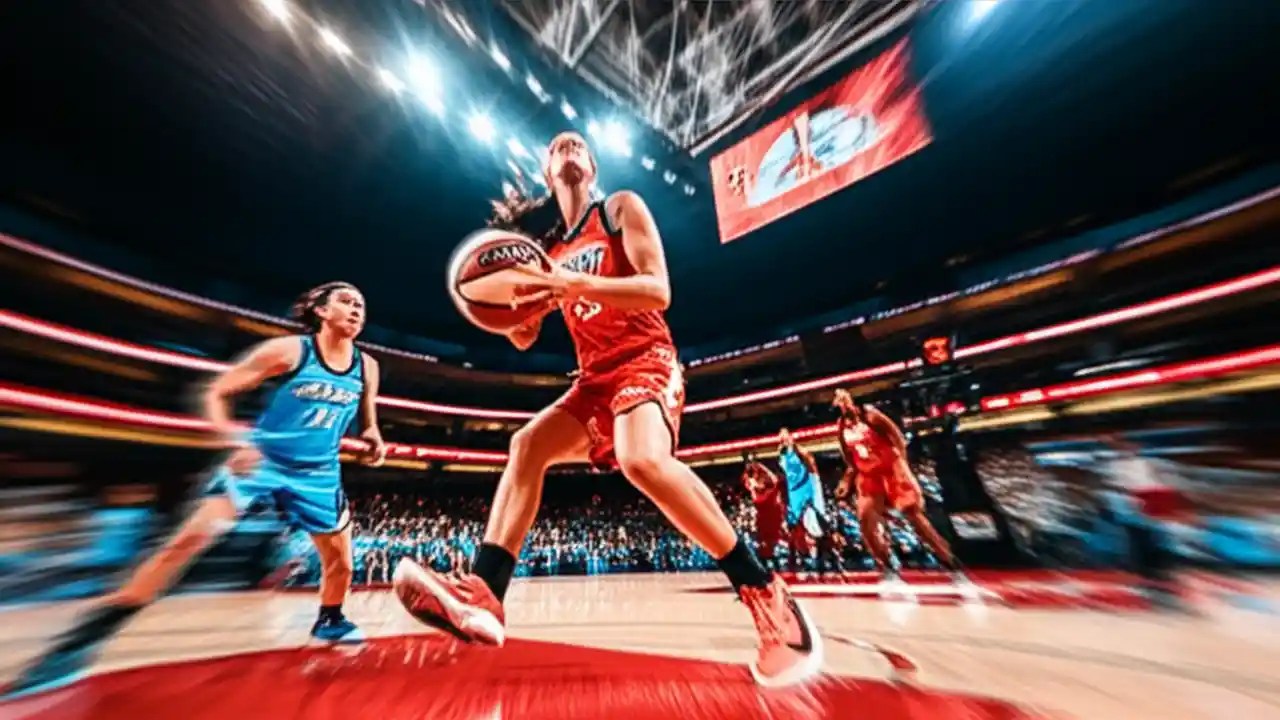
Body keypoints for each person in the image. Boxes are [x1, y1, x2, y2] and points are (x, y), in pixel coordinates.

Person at [394, 131, 822, 687]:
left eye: (577, 144)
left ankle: (765, 592)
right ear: (549, 173)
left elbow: (657, 290)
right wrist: (510, 312)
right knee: (526, 446)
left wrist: (575, 281)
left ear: (590, 166)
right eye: (556, 147)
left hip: (646, 359)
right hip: (595, 379)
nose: (567, 147)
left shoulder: (619, 207)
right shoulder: (545, 253)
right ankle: (486, 594)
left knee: (641, 459)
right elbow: (524, 337)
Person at [4, 282, 387, 699]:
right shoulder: (289, 352)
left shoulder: (366, 366)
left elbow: (367, 422)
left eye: (361, 305)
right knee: (187, 540)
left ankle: (330, 619)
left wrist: (373, 440)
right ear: (320, 309)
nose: (356, 310)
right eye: (346, 301)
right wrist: (232, 440)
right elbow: (216, 392)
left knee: (342, 565)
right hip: (261, 462)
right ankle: (77, 647)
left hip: (318, 474)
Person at [832, 389, 960, 582]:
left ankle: (948, 559)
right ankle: (886, 564)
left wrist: (901, 467)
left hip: (891, 469)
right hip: (868, 475)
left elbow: (898, 439)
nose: (840, 402)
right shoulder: (841, 426)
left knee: (914, 516)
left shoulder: (872, 416)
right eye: (838, 400)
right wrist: (846, 479)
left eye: (843, 398)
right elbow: (849, 458)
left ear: (852, 400)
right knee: (865, 519)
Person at [777, 429, 834, 576]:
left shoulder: (808, 471)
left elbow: (809, 460)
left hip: (805, 493)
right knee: (810, 529)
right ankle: (815, 560)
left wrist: (791, 443)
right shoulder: (785, 458)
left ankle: (826, 559)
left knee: (817, 529)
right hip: (797, 494)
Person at [741, 454, 785, 571]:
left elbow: (774, 480)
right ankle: (766, 566)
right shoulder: (754, 487)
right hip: (765, 515)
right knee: (764, 546)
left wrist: (761, 467)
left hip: (771, 514)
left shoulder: (769, 491)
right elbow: (751, 486)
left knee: (769, 545)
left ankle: (771, 565)